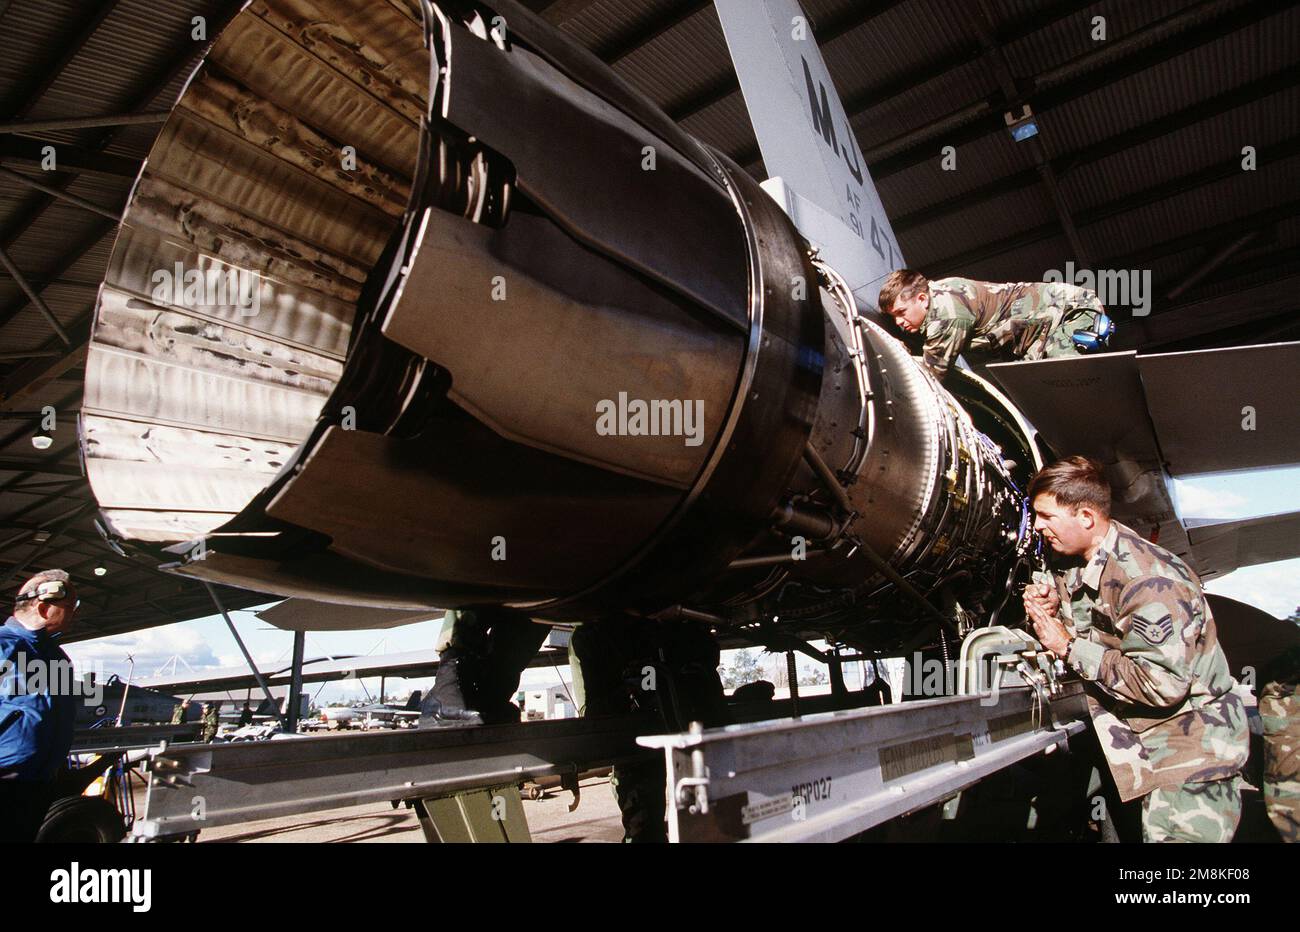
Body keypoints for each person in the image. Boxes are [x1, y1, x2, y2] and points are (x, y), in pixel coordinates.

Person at [1022, 456, 1248, 842]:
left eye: (1046, 516)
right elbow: (1099, 617)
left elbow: (1160, 683)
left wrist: (1068, 645)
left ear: (1086, 517)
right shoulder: (1090, 562)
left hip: (1187, 763)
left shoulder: (1146, 578)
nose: (1038, 526)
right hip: (1149, 755)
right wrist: (1050, 602)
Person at [878, 269, 1113, 381]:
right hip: (1038, 334)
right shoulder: (936, 299)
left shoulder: (947, 314)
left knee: (1066, 377)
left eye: (901, 312)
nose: (899, 322)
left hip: (1067, 312)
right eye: (893, 317)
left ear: (922, 299)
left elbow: (931, 375)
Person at [0, 569, 80, 842]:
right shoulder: (2, 646)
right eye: (70, 607)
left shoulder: (58, 658)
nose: (74, 614)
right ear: (44, 608)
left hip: (39, 784)